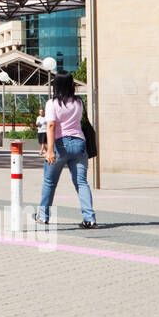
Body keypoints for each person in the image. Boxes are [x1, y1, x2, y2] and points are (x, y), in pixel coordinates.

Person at [36, 71, 97, 228]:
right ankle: (89, 218)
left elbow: (51, 125)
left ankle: (43, 216)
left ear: (56, 85)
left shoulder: (52, 103)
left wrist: (50, 150)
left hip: (59, 144)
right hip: (79, 144)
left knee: (49, 182)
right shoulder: (79, 102)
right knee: (82, 182)